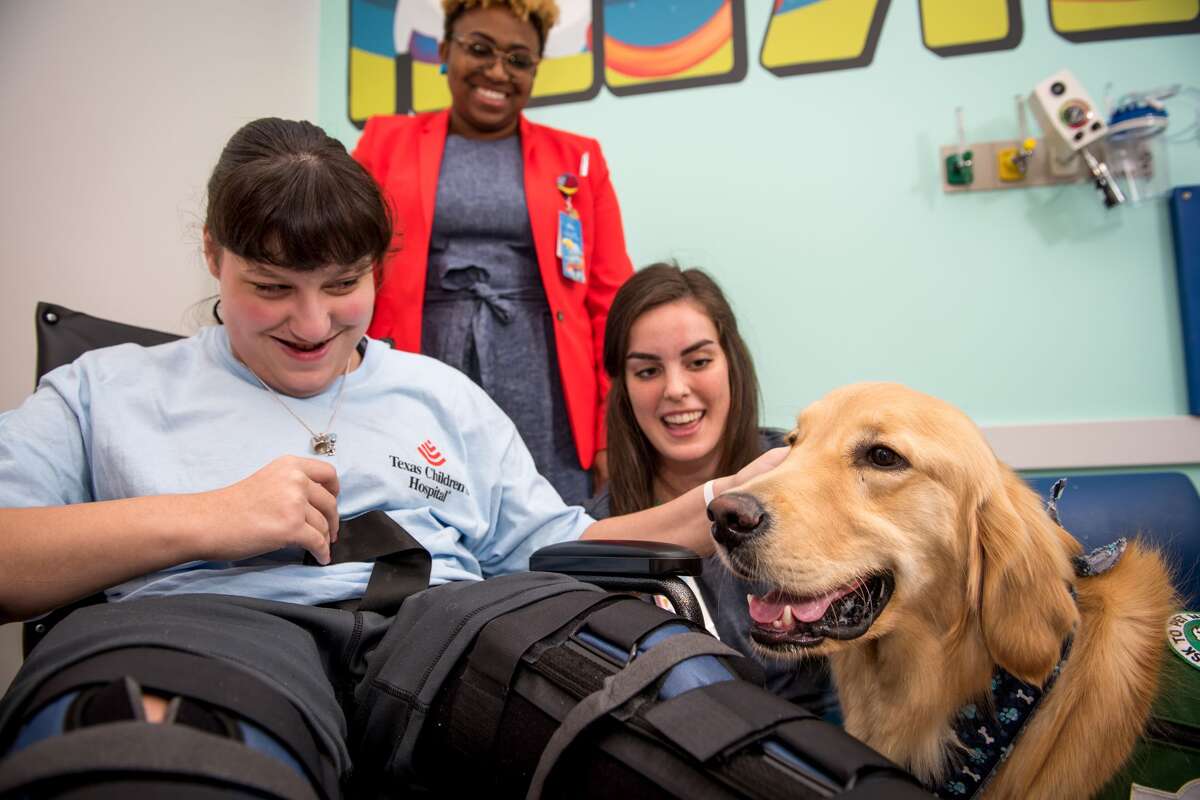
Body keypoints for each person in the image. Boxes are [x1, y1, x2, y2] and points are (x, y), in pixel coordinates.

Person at [0, 119, 791, 797]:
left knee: (665, 693)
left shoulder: (440, 396)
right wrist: (207, 519)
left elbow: (558, 545)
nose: (313, 324)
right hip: (213, 627)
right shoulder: (108, 390)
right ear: (213, 253)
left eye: (343, 284)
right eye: (272, 288)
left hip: (444, 637)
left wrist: (731, 496)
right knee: (152, 742)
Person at [353, 0, 633, 506]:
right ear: (445, 51)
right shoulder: (384, 143)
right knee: (423, 520)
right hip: (417, 368)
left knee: (549, 526)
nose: (498, 72)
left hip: (546, 387)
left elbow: (609, 303)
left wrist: (609, 433)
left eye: (518, 59)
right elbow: (343, 264)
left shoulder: (579, 159)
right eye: (480, 49)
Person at [586, 263, 838, 718]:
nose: (676, 389)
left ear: (731, 365)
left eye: (698, 362)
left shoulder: (803, 471)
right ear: (623, 388)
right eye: (648, 371)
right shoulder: (597, 532)